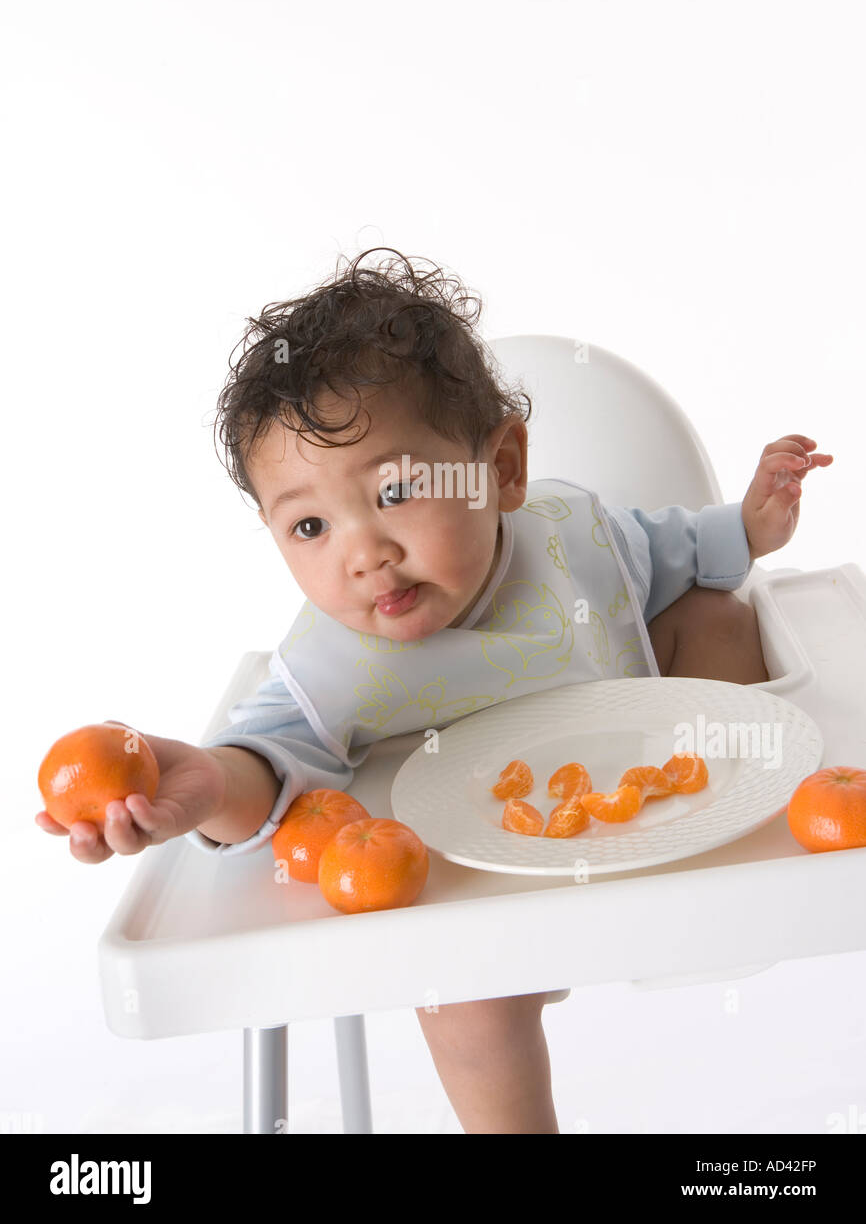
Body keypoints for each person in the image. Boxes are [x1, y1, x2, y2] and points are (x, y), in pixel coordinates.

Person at [36, 247, 832, 1133]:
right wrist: (209, 787)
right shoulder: (338, 659)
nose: (363, 551)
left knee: (717, 614)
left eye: (399, 490)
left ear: (502, 470)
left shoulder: (575, 538)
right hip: (481, 888)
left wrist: (750, 529)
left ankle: (736, 849)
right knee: (459, 1000)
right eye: (309, 524)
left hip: (645, 823)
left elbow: (670, 553)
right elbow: (270, 753)